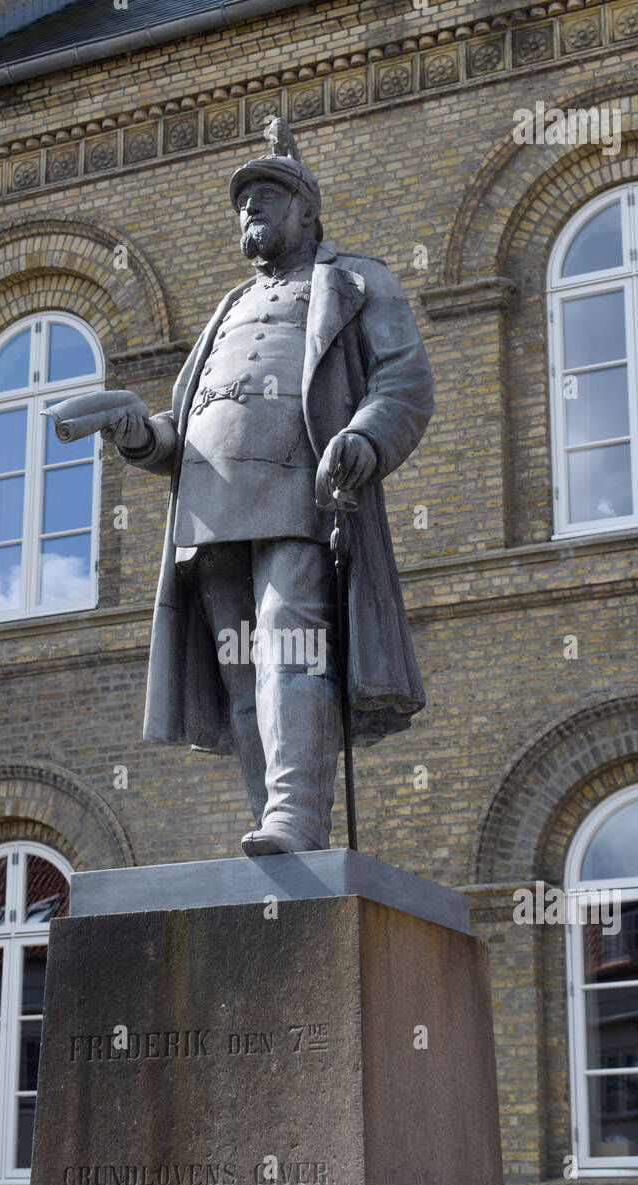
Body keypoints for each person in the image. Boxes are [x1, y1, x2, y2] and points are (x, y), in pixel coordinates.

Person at [104, 118, 434, 855]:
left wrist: (365, 437)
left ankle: (296, 818)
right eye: (242, 203)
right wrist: (138, 435)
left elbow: (405, 382)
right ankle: (273, 824)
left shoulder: (355, 279)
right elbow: (180, 428)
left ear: (307, 210)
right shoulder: (227, 306)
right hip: (209, 509)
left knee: (292, 648)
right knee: (242, 672)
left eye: (266, 197)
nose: (249, 211)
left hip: (301, 497)